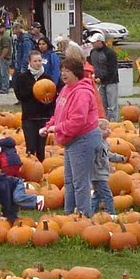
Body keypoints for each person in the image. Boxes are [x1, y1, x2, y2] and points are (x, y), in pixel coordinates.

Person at [44, 57, 102, 215]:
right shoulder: (66, 89)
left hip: (83, 139)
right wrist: (50, 126)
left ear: (76, 73)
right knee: (69, 181)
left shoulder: (82, 92)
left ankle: (84, 216)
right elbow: (60, 113)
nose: (63, 74)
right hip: (71, 140)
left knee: (80, 182)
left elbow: (78, 121)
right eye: (62, 70)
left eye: (67, 71)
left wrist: (57, 128)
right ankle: (69, 214)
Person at [13, 48, 56, 160]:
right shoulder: (23, 78)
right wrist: (34, 90)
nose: (38, 63)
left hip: (43, 116)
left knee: (41, 147)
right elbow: (20, 96)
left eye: (39, 61)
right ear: (30, 62)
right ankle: (31, 166)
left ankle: (41, 169)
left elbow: (53, 96)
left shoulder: (47, 78)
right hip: (29, 117)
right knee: (30, 146)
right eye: (35, 61)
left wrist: (48, 102)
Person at [88, 32, 120, 121]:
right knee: (102, 104)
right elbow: (91, 65)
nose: (92, 44)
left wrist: (101, 78)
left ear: (100, 42)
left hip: (111, 82)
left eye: (94, 42)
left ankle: (113, 121)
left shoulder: (110, 53)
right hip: (99, 82)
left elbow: (112, 69)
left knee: (112, 104)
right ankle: (105, 121)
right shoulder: (92, 52)